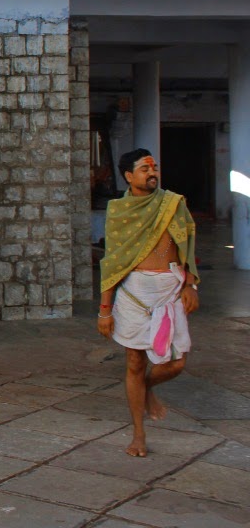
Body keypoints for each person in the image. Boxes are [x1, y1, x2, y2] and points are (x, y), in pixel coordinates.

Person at [97, 148, 199, 457]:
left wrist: (191, 283)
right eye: (144, 168)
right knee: (135, 362)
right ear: (129, 176)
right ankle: (138, 434)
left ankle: (148, 387)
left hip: (170, 288)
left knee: (176, 363)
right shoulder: (118, 211)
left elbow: (188, 243)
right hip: (134, 291)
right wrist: (105, 310)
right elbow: (112, 262)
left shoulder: (173, 204)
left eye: (154, 167)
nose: (152, 173)